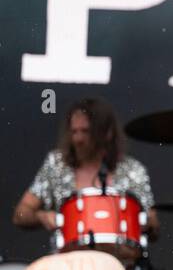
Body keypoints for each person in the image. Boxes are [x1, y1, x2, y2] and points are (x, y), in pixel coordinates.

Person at [13, 96, 160, 243]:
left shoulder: (132, 170)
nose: (78, 139)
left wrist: (145, 223)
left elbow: (153, 226)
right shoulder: (57, 164)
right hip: (68, 260)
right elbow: (20, 214)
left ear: (107, 133)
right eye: (74, 131)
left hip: (120, 260)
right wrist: (42, 216)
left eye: (86, 131)